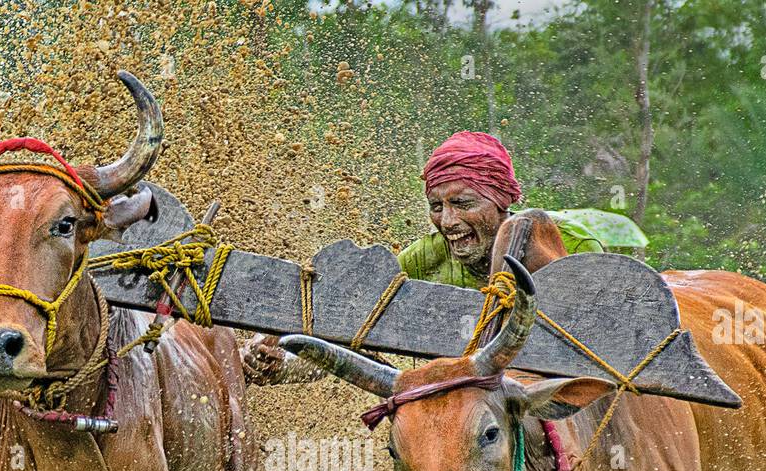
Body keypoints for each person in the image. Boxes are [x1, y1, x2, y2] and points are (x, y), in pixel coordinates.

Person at [242, 130, 612, 384]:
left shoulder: (577, 248)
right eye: (437, 206)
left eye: (463, 203)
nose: (448, 222)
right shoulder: (425, 258)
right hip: (463, 414)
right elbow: (350, 325)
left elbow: (608, 345)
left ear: (502, 202)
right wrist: (283, 362)